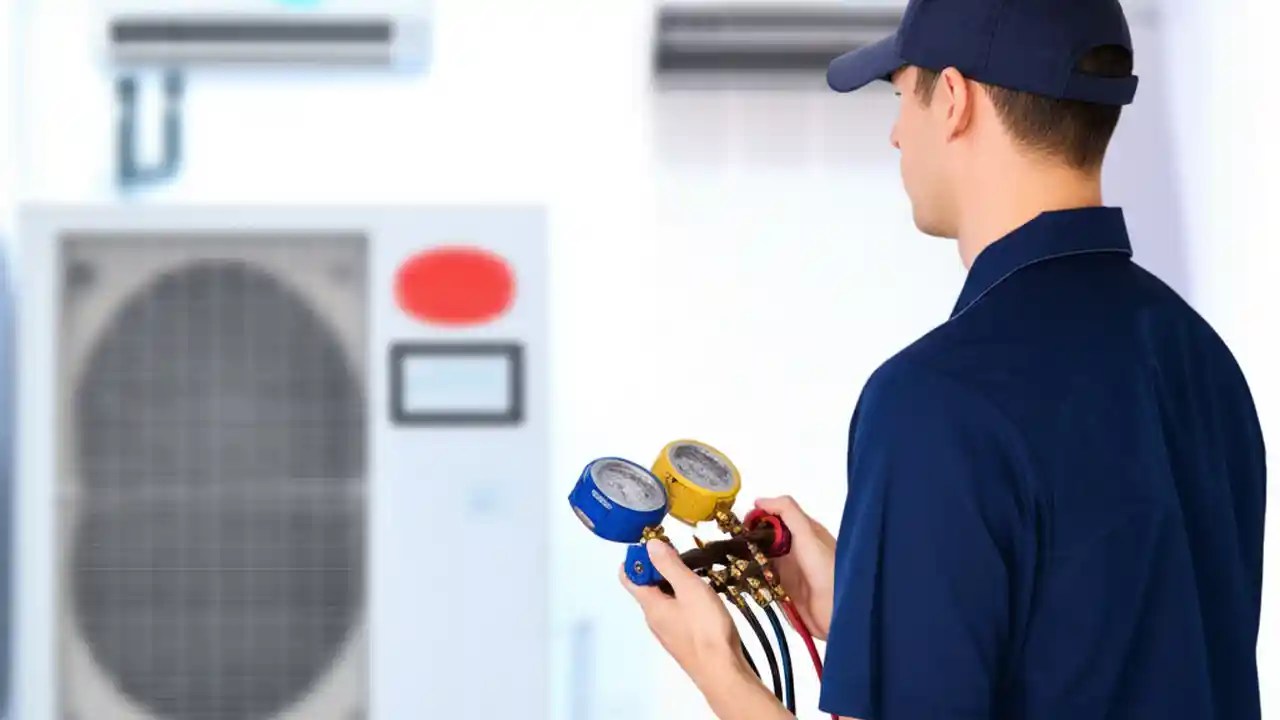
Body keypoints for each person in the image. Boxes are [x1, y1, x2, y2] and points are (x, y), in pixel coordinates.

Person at [621, 0, 1267, 717]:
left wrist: (721, 671)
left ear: (954, 99)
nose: (898, 133)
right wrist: (875, 618)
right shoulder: (1203, 363)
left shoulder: (936, 401)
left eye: (902, 96)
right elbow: (1119, 650)